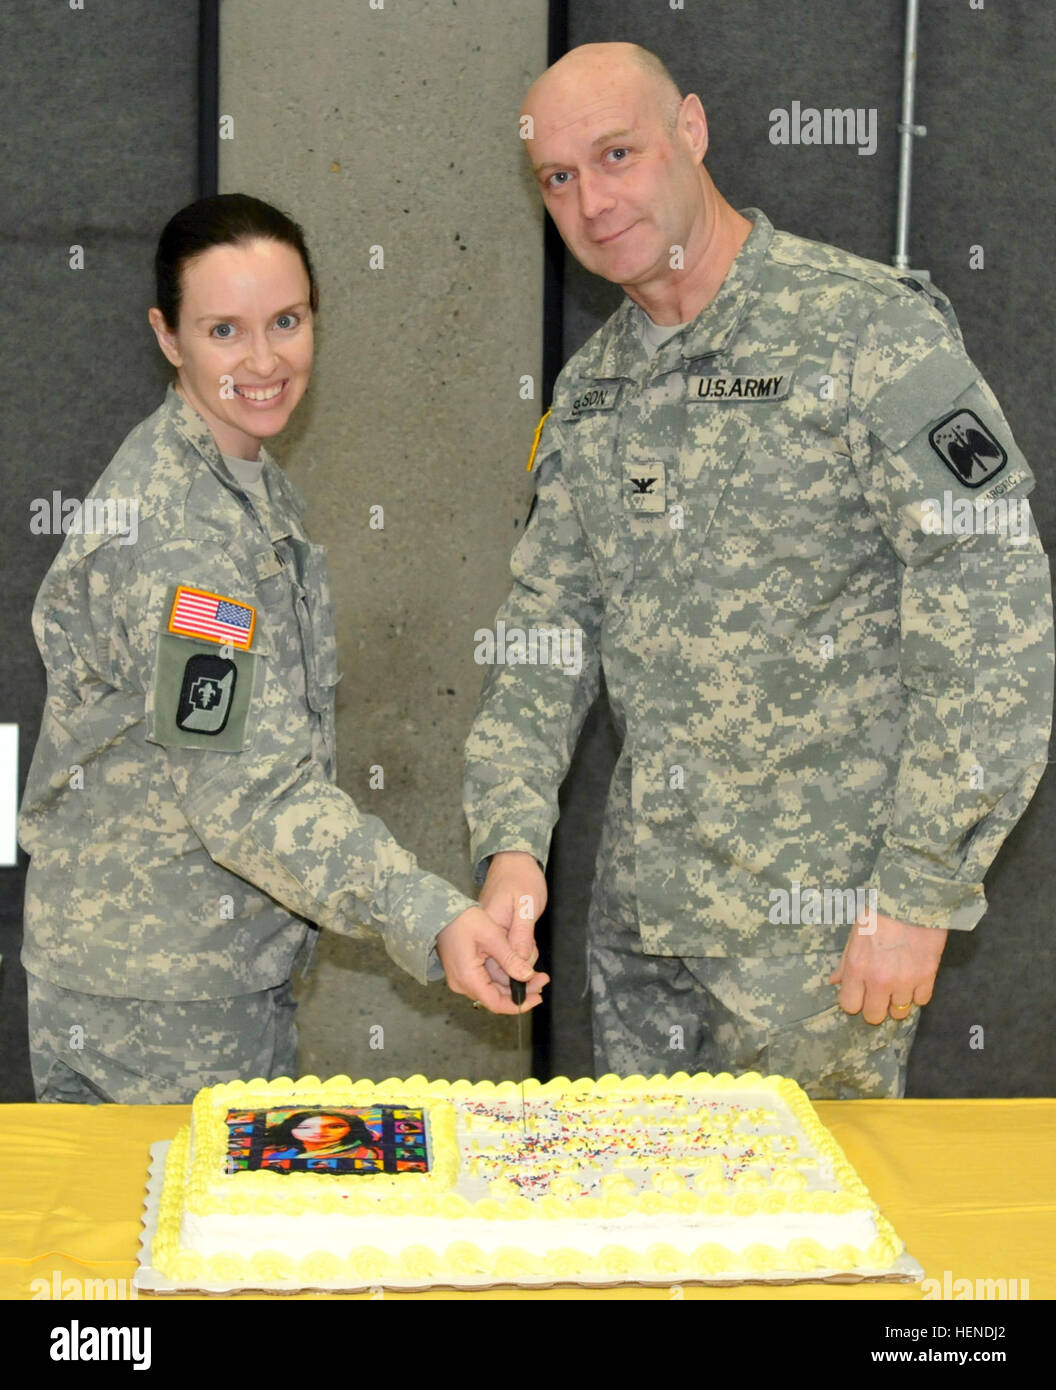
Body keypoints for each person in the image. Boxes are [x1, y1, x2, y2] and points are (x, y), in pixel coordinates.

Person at [459, 44, 1054, 1097]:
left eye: (617, 154)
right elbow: (547, 627)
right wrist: (511, 840)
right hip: (645, 936)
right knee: (645, 1206)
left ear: (691, 130)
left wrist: (921, 888)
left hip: (820, 948)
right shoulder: (593, 388)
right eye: (559, 176)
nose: (593, 202)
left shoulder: (866, 331)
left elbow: (991, 613)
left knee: (812, 1208)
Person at [19, 193, 542, 1105]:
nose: (264, 362)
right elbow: (246, 794)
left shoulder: (239, 479)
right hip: (161, 1003)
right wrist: (430, 916)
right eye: (224, 330)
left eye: (287, 322)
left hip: (193, 970)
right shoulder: (183, 533)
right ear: (168, 336)